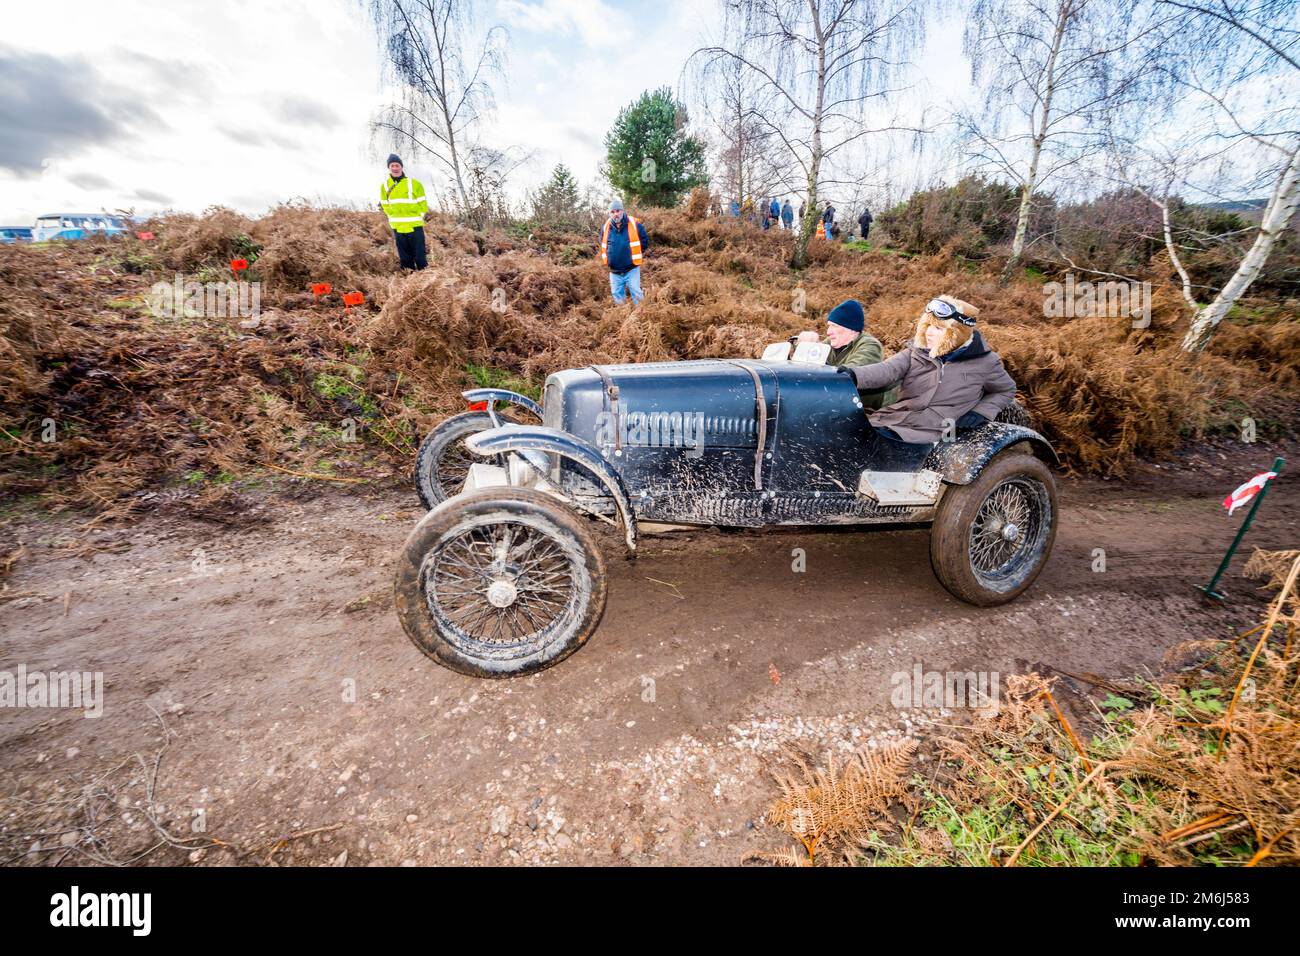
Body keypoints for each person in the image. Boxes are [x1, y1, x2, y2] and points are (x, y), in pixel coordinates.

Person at [841, 295, 1016, 447]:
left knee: (871, 444)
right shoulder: (916, 352)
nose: (928, 333)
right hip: (898, 418)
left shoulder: (985, 362)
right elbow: (887, 370)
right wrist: (852, 375)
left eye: (938, 328)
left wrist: (981, 412)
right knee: (847, 432)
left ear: (957, 334)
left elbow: (1005, 389)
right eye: (927, 326)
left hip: (940, 429)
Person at [795, 299, 897, 410]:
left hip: (867, 411)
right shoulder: (831, 343)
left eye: (834, 326)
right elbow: (810, 362)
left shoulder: (870, 346)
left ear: (851, 329)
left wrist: (821, 362)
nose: (828, 332)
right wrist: (806, 347)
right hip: (838, 403)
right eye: (829, 326)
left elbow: (850, 374)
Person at [378, 154, 428, 271]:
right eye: (392, 165)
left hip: (415, 225)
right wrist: (393, 215)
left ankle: (425, 276)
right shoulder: (384, 186)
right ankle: (408, 279)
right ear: (389, 168)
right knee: (405, 256)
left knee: (420, 255)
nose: (395, 168)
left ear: (401, 167)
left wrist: (419, 216)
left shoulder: (414, 183)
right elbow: (385, 204)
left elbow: (423, 203)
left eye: (397, 165)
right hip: (398, 226)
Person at [599, 198, 649, 305]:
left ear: (623, 211)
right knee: (617, 295)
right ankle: (624, 315)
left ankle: (641, 315)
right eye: (612, 212)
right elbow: (603, 243)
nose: (615, 214)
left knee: (637, 293)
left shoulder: (635, 224)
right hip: (614, 271)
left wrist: (632, 255)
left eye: (617, 211)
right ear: (609, 214)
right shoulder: (605, 227)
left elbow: (644, 242)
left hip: (632, 269)